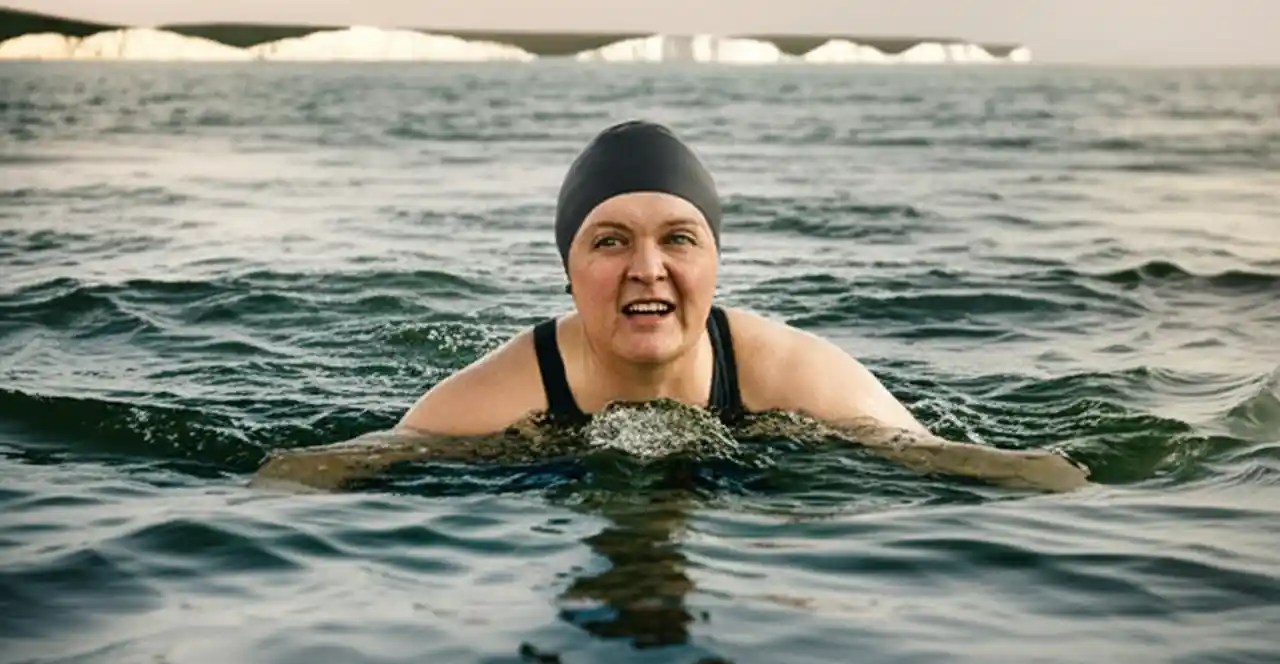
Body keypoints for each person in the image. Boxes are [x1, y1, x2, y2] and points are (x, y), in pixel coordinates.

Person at [256, 120, 1088, 492]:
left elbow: (948, 461)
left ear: (715, 262)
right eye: (610, 240)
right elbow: (330, 469)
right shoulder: (504, 390)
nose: (646, 269)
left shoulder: (789, 369)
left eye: (679, 240)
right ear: (570, 270)